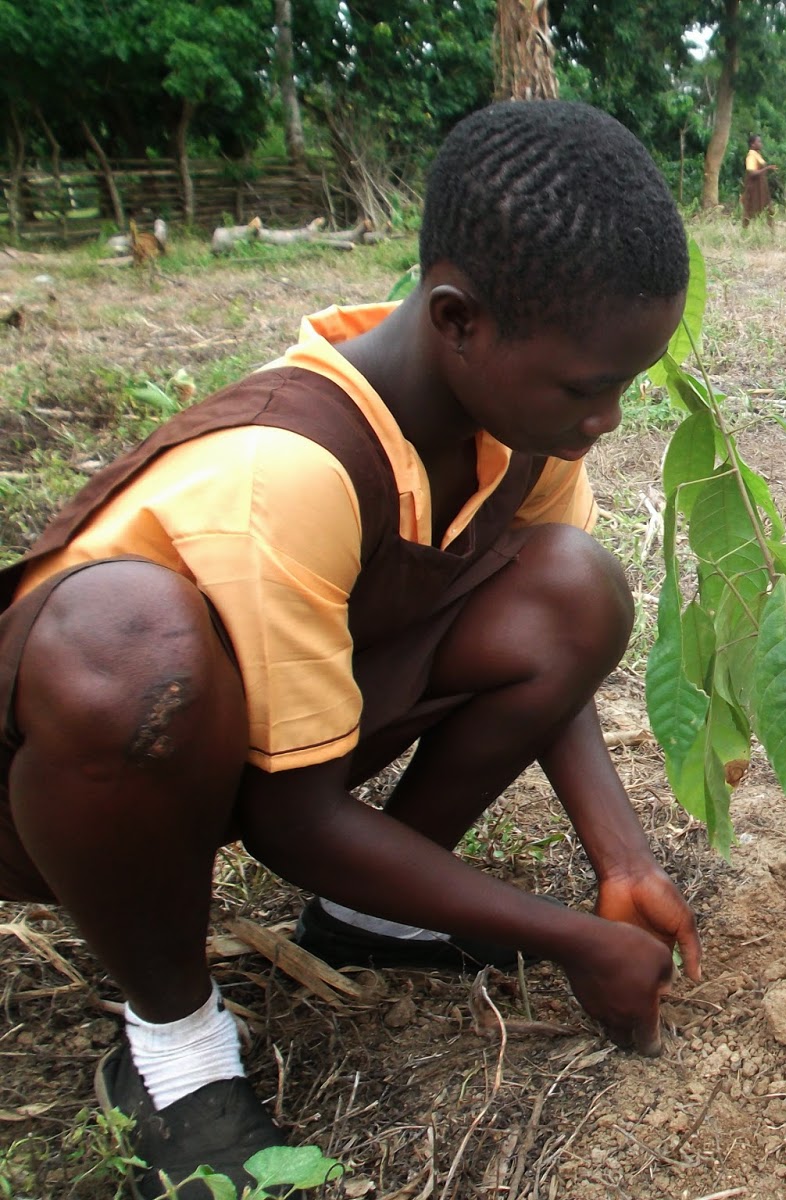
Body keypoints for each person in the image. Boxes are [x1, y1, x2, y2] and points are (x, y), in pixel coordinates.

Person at [0, 100, 703, 1197]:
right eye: (586, 386)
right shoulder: (286, 469)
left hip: (259, 743)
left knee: (574, 584)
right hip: (83, 790)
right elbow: (293, 822)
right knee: (129, 645)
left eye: (625, 383)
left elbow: (553, 650)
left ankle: (369, 917)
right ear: (458, 318)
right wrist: (571, 937)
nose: (606, 417)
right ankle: (174, 1046)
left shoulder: (522, 428)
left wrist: (622, 861)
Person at [741, 133, 778, 228]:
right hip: (754, 188)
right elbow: (751, 173)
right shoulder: (751, 156)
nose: (761, 144)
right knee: (750, 209)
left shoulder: (757, 155)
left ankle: (771, 231)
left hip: (761, 187)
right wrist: (767, 168)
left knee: (768, 208)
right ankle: (744, 231)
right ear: (752, 144)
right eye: (759, 142)